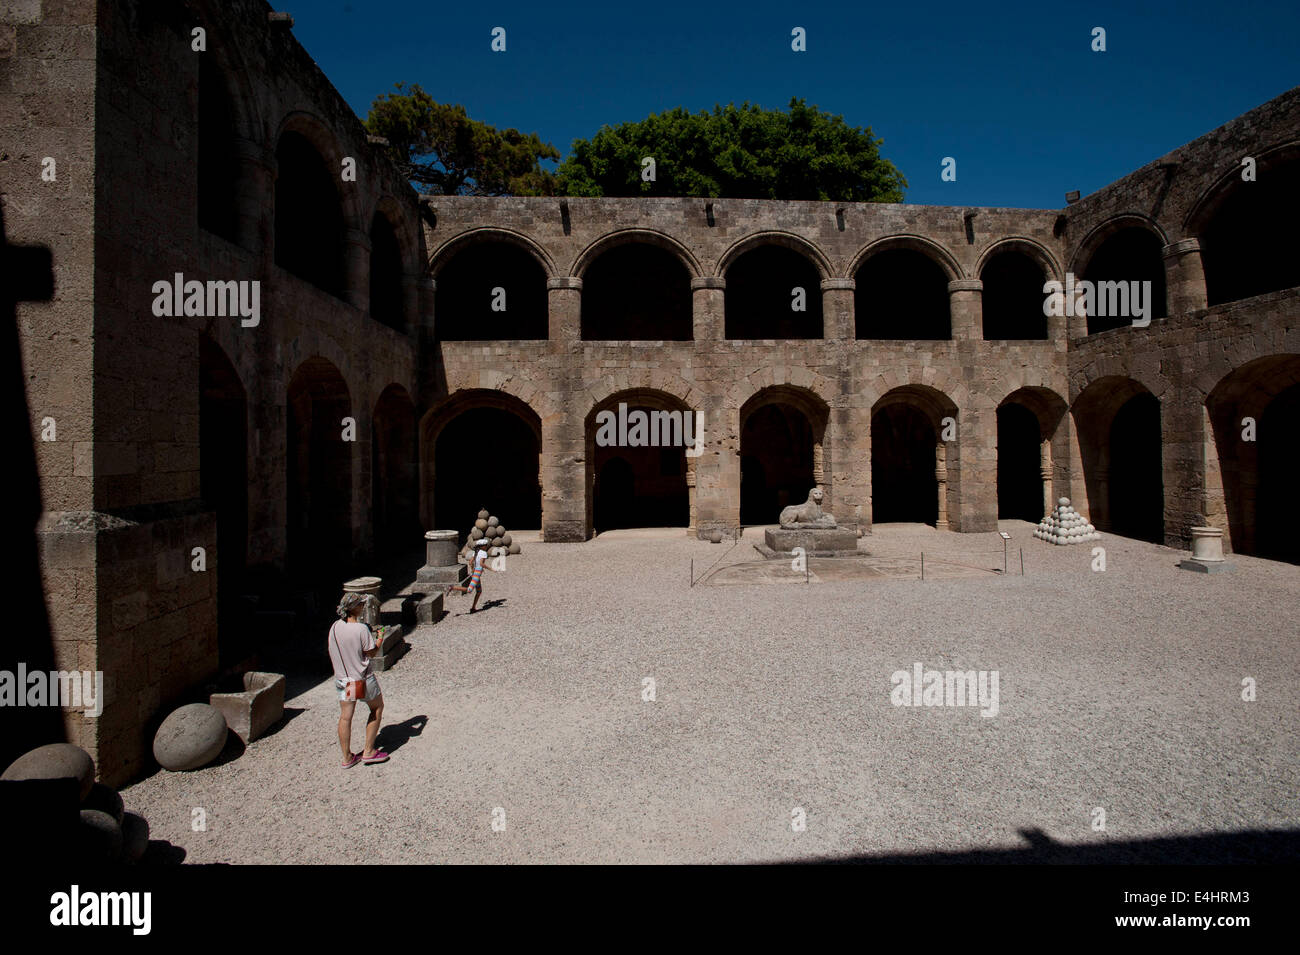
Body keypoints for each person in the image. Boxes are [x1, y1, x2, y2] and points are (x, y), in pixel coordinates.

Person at [328, 592, 390, 768]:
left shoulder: (334, 627)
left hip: (342, 678)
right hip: (359, 678)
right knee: (377, 708)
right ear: (354, 608)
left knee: (346, 717)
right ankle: (369, 751)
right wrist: (379, 637)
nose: (363, 606)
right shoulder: (360, 629)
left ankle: (347, 757)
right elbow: (371, 653)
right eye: (361, 604)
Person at [447, 537, 490, 613]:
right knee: (469, 590)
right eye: (485, 545)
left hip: (475, 574)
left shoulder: (475, 552)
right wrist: (491, 569)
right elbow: (481, 563)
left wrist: (473, 569)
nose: (486, 546)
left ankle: (473, 608)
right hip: (476, 575)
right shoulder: (483, 553)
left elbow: (470, 562)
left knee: (479, 591)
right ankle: (452, 587)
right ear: (482, 546)